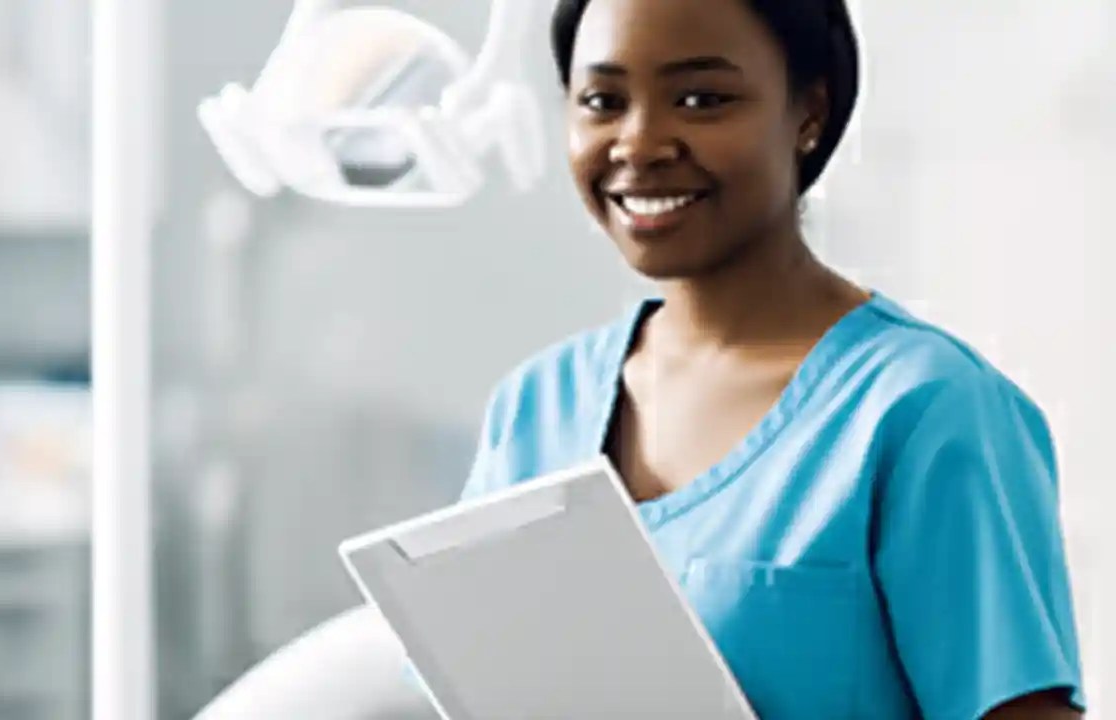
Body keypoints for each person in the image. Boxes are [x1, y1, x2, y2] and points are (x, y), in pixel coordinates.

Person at [450, 0, 1087, 717]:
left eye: (700, 99)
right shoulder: (534, 408)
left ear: (808, 112)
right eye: (603, 101)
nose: (640, 142)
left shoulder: (923, 411)